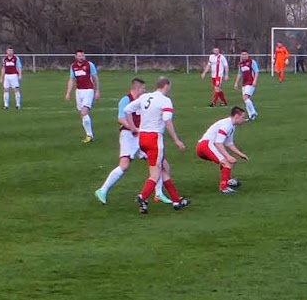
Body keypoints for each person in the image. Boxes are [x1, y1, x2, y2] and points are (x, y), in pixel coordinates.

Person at [134, 76, 189, 213]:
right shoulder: (165, 100)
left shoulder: (146, 97)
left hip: (142, 138)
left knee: (165, 168)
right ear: (166, 86)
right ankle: (143, 196)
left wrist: (135, 128)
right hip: (154, 139)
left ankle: (176, 201)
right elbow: (167, 121)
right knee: (156, 172)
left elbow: (128, 110)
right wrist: (176, 140)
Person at [95, 78, 148, 203]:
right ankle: (102, 190)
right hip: (128, 136)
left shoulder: (142, 100)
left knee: (157, 161)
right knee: (124, 165)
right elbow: (121, 118)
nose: (145, 90)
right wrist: (133, 128)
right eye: (143, 88)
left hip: (139, 136)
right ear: (137, 88)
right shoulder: (126, 100)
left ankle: (159, 193)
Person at [196, 107, 250, 193]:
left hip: (205, 146)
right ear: (236, 116)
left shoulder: (231, 125)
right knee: (227, 163)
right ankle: (224, 187)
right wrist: (228, 156)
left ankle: (228, 180)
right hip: (206, 145)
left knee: (226, 163)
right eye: (243, 117)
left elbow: (229, 143)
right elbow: (218, 143)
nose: (244, 120)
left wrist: (240, 154)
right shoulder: (227, 125)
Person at [64, 49, 100, 143]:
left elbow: (95, 77)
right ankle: (89, 135)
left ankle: (89, 135)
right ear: (76, 56)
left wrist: (97, 91)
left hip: (88, 90)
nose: (82, 57)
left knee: (84, 112)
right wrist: (68, 92)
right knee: (82, 114)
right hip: (79, 91)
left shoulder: (89, 64)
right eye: (79, 56)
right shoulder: (73, 66)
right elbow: (72, 79)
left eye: (83, 56)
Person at [233, 49, 260, 119]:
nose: (244, 56)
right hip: (244, 83)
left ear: (248, 55)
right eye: (243, 54)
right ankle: (251, 116)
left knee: (245, 97)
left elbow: (256, 71)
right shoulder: (241, 64)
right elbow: (239, 73)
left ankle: (253, 112)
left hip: (250, 82)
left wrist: (255, 80)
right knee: (247, 100)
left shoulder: (252, 62)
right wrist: (236, 83)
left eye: (245, 54)